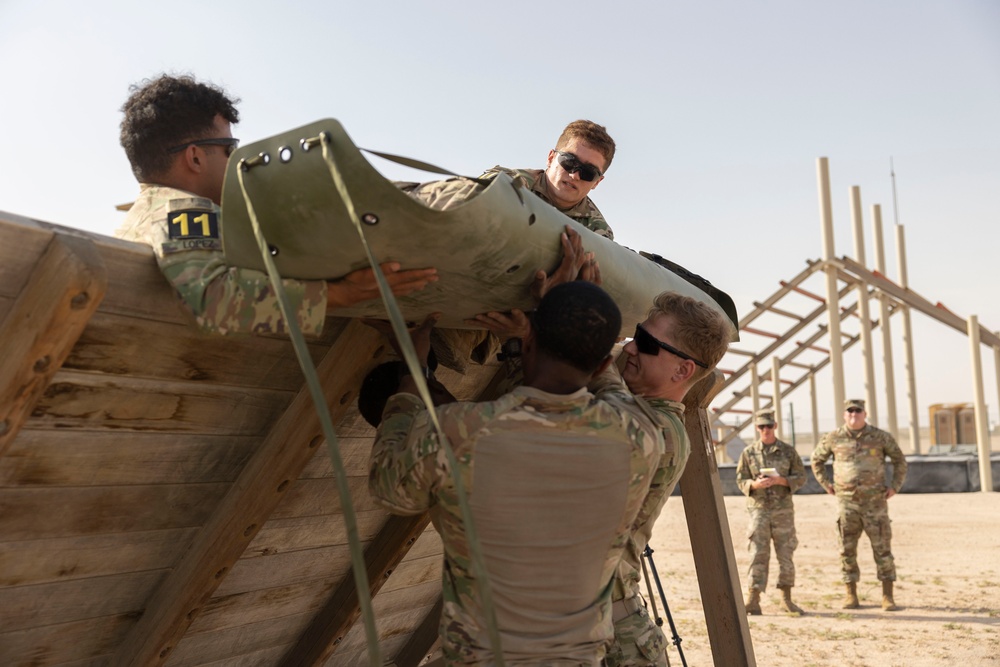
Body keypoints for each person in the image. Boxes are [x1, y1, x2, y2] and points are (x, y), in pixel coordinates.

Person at [369, 281, 664, 665]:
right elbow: (614, 394)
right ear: (605, 364)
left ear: (527, 343)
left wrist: (412, 372)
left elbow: (388, 489)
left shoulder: (460, 432)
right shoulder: (641, 438)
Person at [116, 74, 437, 335]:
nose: (235, 160)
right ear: (196, 157)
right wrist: (342, 294)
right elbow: (214, 298)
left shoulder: (143, 216)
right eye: (230, 148)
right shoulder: (182, 212)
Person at [600, 291, 732, 666]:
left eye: (645, 343)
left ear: (682, 371)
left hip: (614, 643)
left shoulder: (657, 434)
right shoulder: (638, 411)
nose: (628, 348)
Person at [811, 399, 908, 611]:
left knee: (882, 549)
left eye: (858, 410)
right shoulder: (834, 437)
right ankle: (851, 595)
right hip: (847, 504)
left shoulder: (880, 437)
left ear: (865, 413)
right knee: (847, 550)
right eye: (850, 411)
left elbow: (899, 460)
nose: (854, 414)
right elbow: (816, 460)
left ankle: (887, 597)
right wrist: (827, 484)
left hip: (875, 503)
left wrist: (895, 486)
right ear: (844, 415)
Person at [735, 409, 807, 616]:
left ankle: (787, 599)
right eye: (761, 427)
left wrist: (782, 481)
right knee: (757, 554)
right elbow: (740, 480)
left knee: (785, 554)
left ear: (775, 426)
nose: (765, 430)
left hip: (782, 511)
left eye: (769, 426)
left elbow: (801, 477)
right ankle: (753, 598)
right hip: (758, 511)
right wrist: (755, 485)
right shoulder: (749, 453)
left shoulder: (788, 451)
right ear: (757, 428)